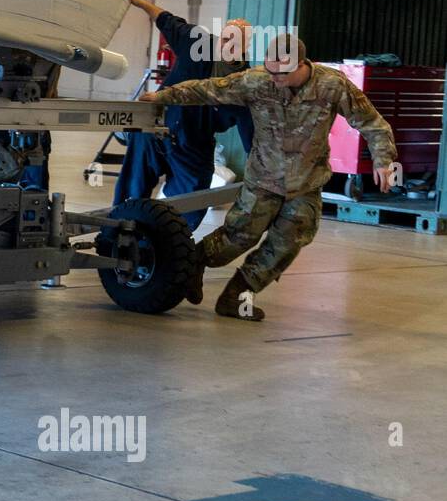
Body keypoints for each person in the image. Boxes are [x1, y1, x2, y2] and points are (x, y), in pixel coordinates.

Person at [143, 34, 398, 321]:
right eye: (271, 70)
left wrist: (383, 161)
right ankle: (195, 264)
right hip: (263, 179)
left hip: (305, 183)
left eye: (282, 73)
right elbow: (208, 89)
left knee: (288, 242)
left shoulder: (332, 85)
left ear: (302, 64)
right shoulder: (257, 80)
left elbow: (372, 122)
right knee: (238, 237)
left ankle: (236, 297)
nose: (275, 78)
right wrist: (161, 95)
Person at [114, 0, 255, 230]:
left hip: (194, 144)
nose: (228, 44)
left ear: (244, 47)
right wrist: (136, 0)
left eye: (235, 41)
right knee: (131, 191)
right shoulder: (195, 42)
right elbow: (164, 17)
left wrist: (260, 171)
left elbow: (251, 136)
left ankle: (167, 244)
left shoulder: (245, 85)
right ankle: (117, 235)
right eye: (225, 38)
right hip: (154, 128)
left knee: (191, 201)